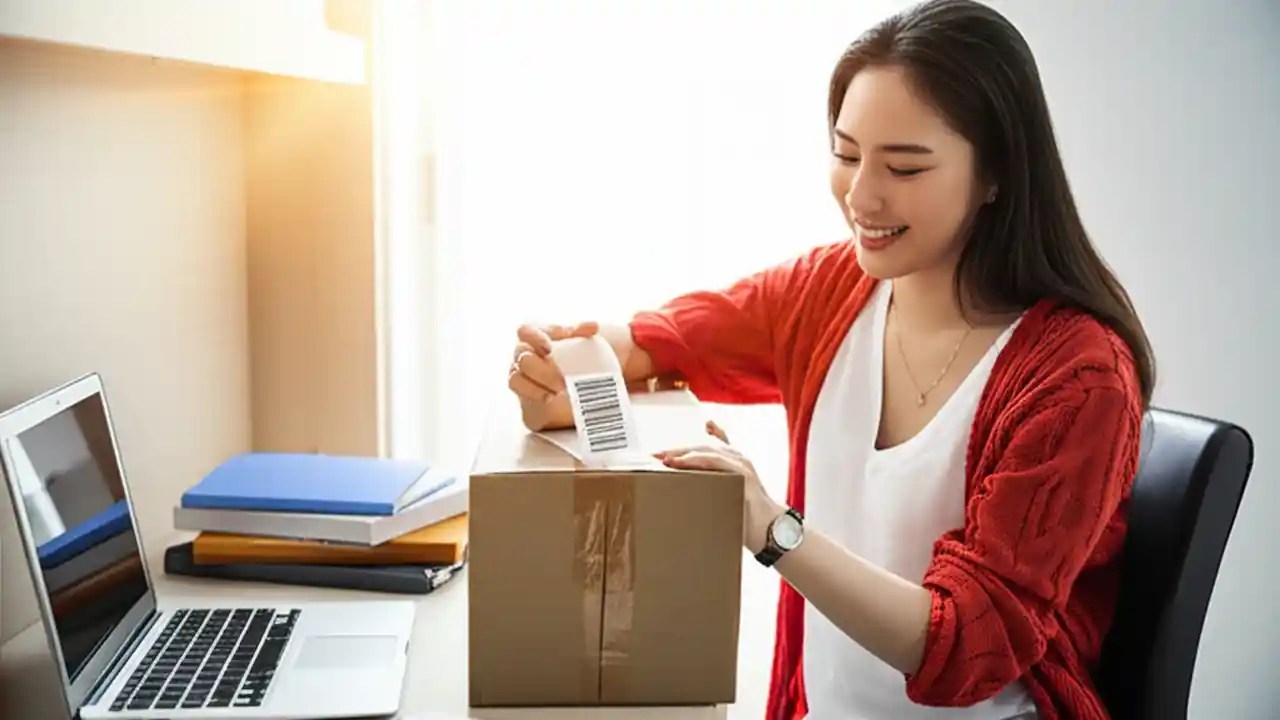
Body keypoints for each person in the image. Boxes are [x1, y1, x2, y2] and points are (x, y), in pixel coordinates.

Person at [506, 1, 1153, 718]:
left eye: (904, 167)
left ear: (996, 172)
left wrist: (772, 527)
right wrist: (568, 370)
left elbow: (970, 645)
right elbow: (660, 341)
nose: (861, 195)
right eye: (846, 155)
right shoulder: (829, 290)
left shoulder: (1079, 379)